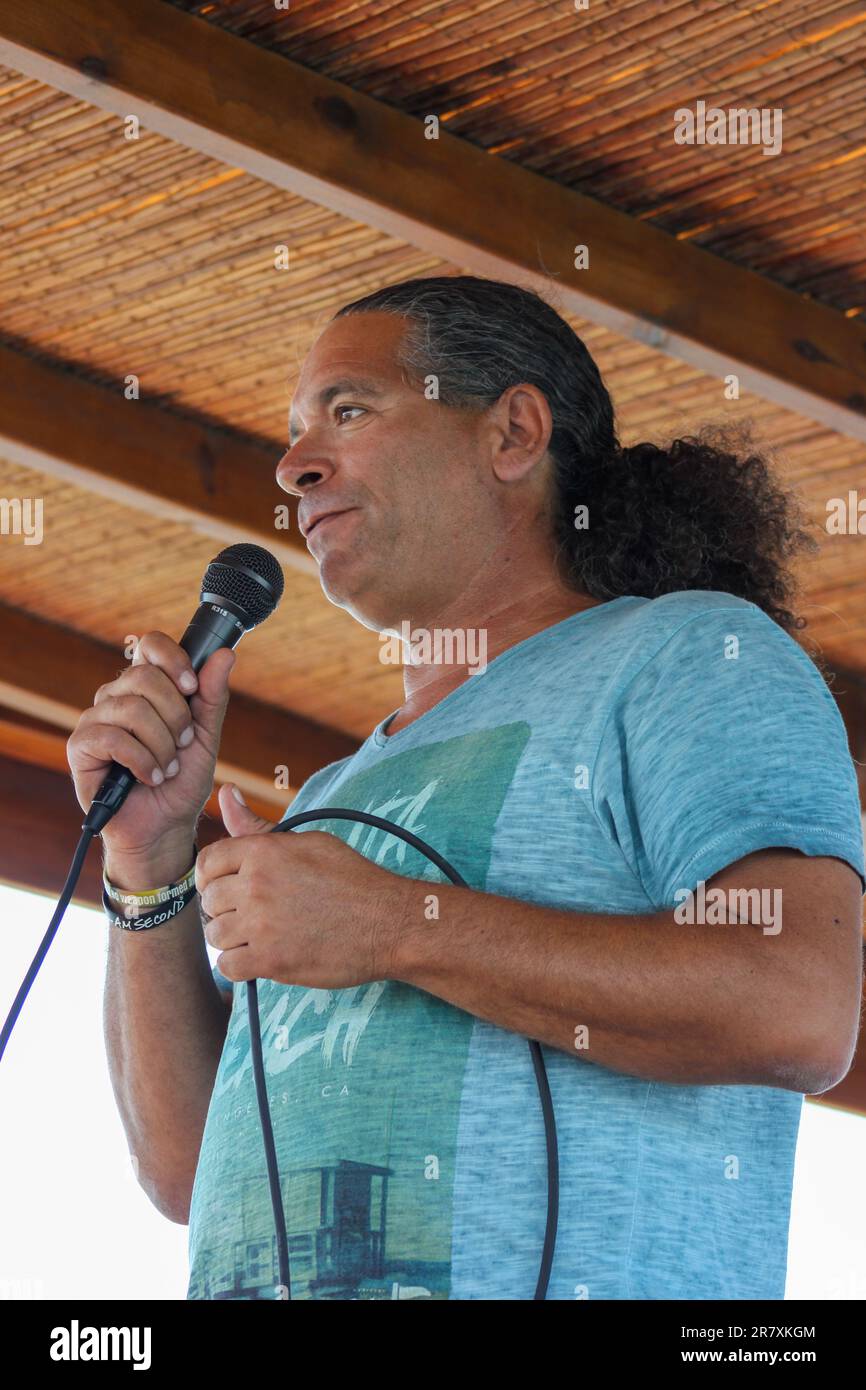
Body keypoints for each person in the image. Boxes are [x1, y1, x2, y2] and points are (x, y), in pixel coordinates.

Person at [67, 275, 865, 1301]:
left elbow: (796, 1003)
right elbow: (185, 1170)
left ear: (512, 433)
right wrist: (147, 865)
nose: (292, 464)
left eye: (347, 411)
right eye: (295, 432)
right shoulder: (324, 798)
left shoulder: (684, 655)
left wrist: (397, 925)